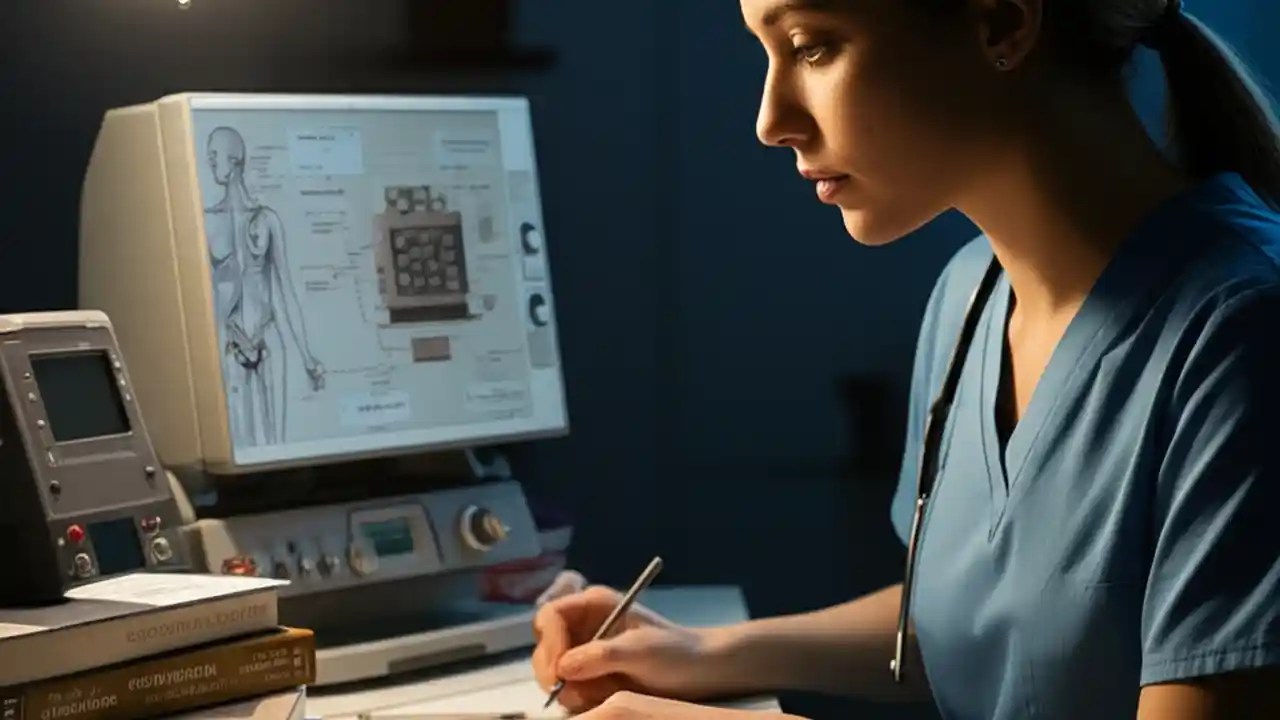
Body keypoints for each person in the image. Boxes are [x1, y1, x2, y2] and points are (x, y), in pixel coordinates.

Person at [531, 0, 1280, 718]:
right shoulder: (970, 292)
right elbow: (979, 630)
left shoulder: (1244, 334)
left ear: (1001, 23)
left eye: (811, 47)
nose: (770, 121)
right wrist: (706, 650)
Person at [204, 126, 326, 447]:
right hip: (232, 344)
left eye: (216, 154)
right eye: (209, 155)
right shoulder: (206, 222)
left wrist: (307, 357)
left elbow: (287, 292)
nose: (210, 161)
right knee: (240, 441)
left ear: (235, 159)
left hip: (267, 340)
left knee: (274, 441)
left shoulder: (267, 220)